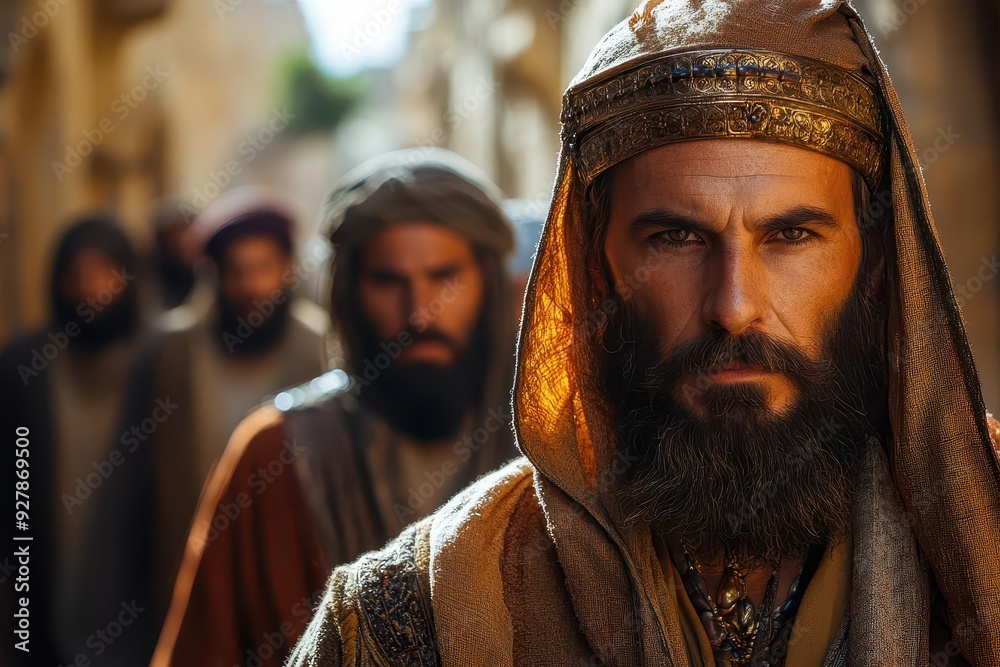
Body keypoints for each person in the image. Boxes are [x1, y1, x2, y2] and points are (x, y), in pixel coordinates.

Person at [288, 2, 1000, 665]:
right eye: (675, 238)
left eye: (790, 236)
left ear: (872, 265)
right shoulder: (412, 616)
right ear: (594, 271)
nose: (733, 307)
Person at [152, 149, 518, 666]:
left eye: (444, 277)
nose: (419, 313)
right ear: (349, 291)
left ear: (488, 283)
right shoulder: (273, 454)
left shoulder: (555, 450)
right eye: (388, 281)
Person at [142, 189, 330, 633]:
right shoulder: (175, 348)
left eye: (264, 268)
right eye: (237, 272)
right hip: (190, 561)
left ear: (287, 269)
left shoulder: (319, 344)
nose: (252, 286)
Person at [0, 215, 157, 666]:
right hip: (39, 594)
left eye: (105, 273)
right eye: (79, 274)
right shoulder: (24, 364)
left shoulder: (159, 362)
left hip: (134, 606)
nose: (92, 289)